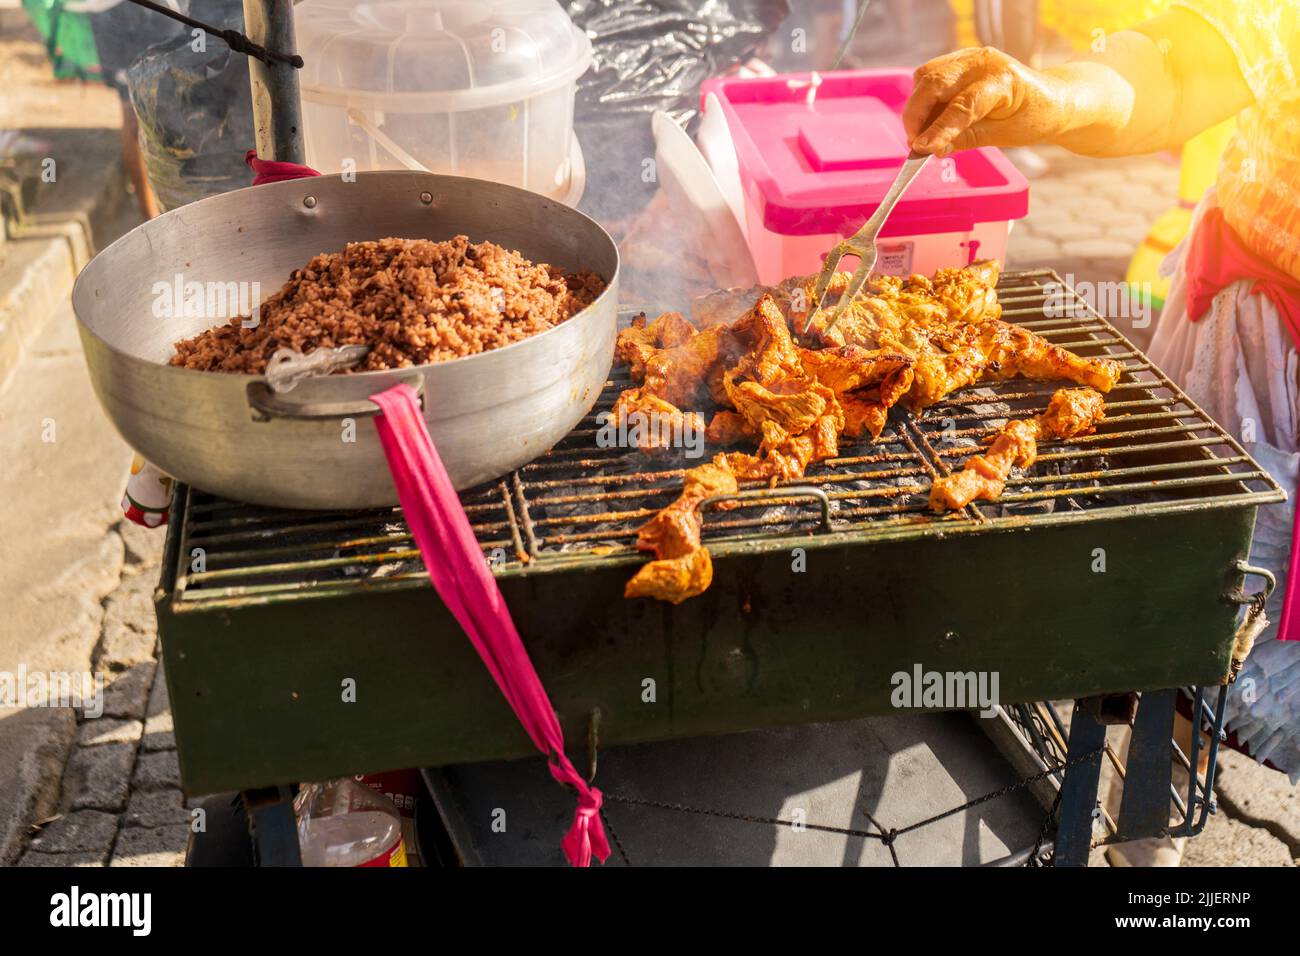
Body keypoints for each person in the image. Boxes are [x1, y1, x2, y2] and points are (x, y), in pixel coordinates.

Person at [903, 0, 1300, 861]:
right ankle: (1145, 851)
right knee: (1205, 613)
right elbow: (1168, 75)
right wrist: (1041, 95)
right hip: (1267, 351)